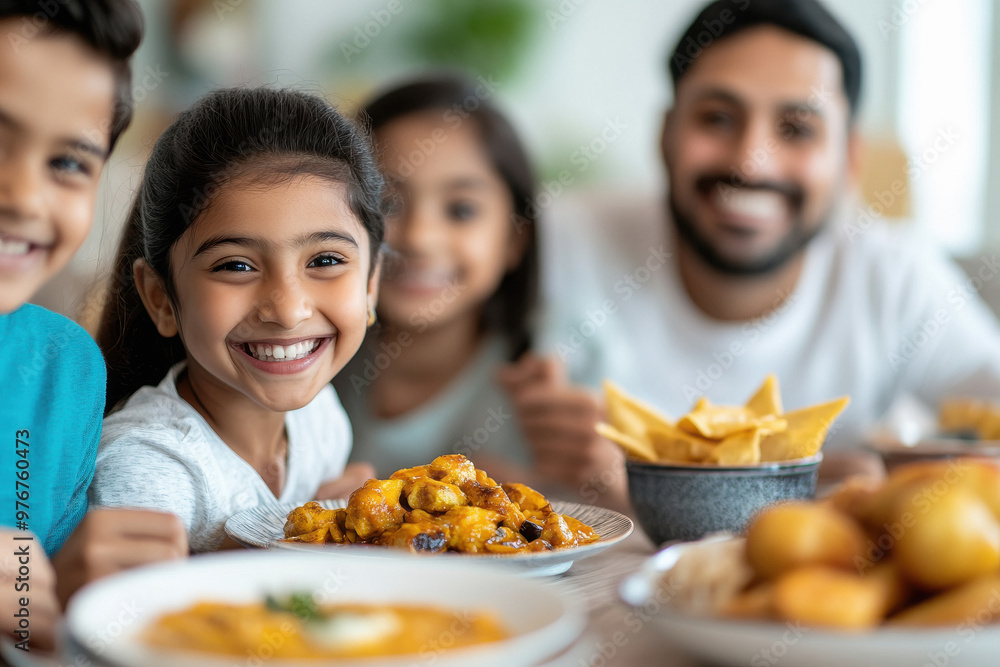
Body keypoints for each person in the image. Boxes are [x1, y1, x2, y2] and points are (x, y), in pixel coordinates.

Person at [502, 0, 1000, 500]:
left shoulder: (895, 277)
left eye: (797, 129)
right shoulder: (549, 240)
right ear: (666, 136)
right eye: (717, 118)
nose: (750, 162)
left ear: (849, 160)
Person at [90, 87, 383, 552]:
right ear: (161, 298)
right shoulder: (148, 468)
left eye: (325, 260)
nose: (287, 310)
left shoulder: (321, 420)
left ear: (370, 284)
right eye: (236, 266)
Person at [0, 0, 189, 649]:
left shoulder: (62, 368)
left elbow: (29, 623)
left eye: (67, 163)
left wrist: (63, 595)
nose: (25, 198)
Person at [335, 75, 543, 487]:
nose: (419, 237)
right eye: (387, 204)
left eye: (461, 210)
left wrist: (600, 478)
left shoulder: (563, 369)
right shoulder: (298, 357)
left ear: (515, 238)